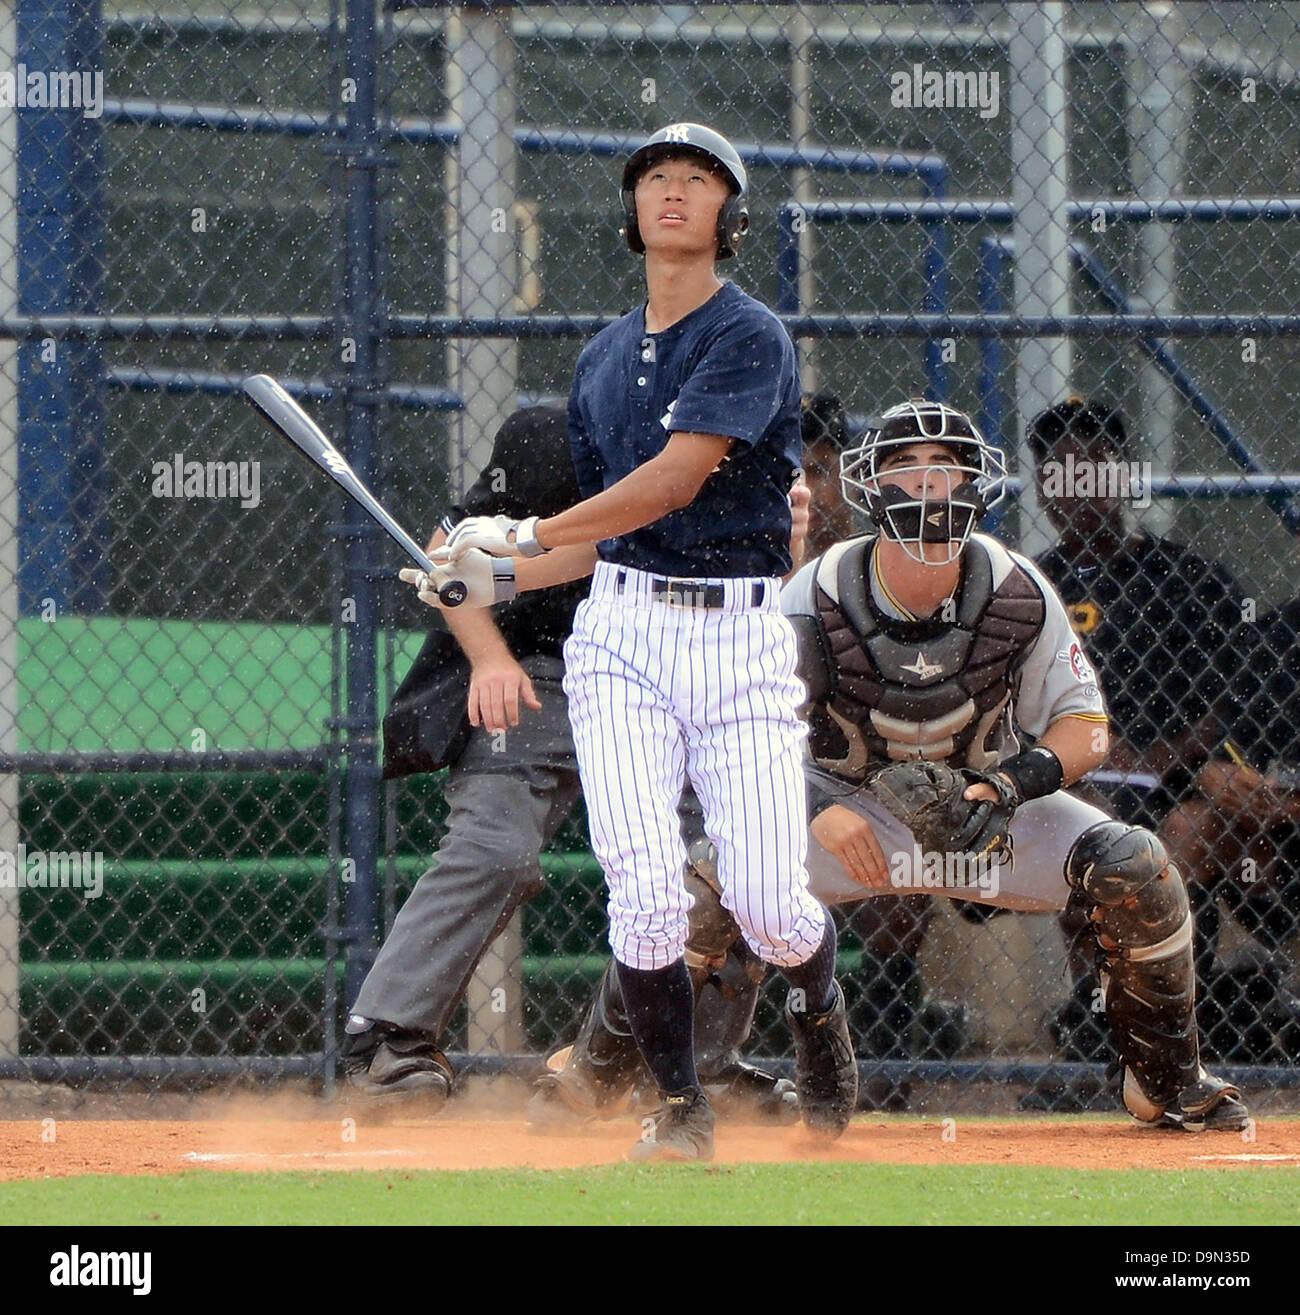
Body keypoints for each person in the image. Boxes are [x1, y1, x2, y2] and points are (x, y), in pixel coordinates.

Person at [425, 122, 858, 1161]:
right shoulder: (602, 358)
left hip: (738, 639)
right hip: (620, 633)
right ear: (632, 214)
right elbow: (604, 534)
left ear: (729, 217)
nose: (673, 193)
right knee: (645, 887)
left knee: (763, 900)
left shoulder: (749, 336)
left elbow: (672, 480)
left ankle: (817, 1001)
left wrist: (520, 534)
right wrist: (490, 577)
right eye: (657, 180)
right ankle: (680, 1112)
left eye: (698, 181)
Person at [341, 402, 798, 1121]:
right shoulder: (550, 436)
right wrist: (489, 657)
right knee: (495, 849)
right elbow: (445, 549)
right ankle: (384, 1045)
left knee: (725, 865)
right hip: (541, 671)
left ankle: (683, 1066)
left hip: (672, 674)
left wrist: (788, 534)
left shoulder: (731, 454)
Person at [1026, 399, 1297, 1076]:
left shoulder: (1189, 578)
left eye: (1095, 464)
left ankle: (1168, 1026)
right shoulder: (1030, 586)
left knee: (1184, 834)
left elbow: (1232, 696)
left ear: (1122, 477)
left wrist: (1165, 754)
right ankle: (1101, 1032)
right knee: (1083, 830)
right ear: (1042, 488)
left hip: (1172, 782)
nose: (1079, 481)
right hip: (1069, 780)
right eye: (1060, 469)